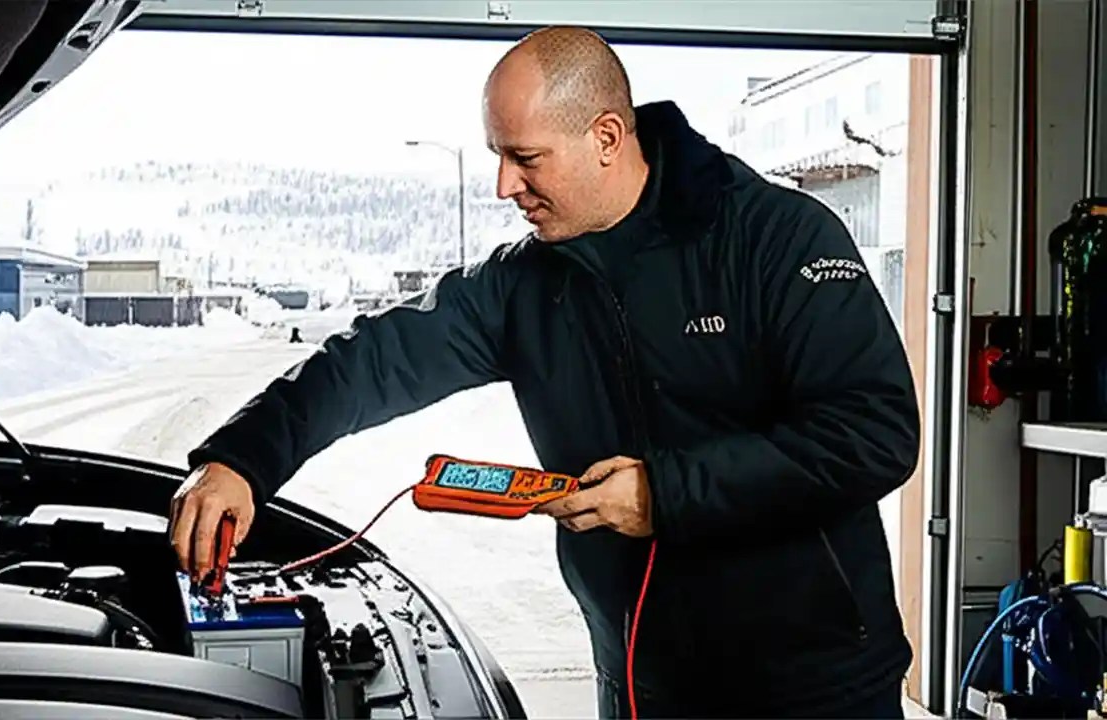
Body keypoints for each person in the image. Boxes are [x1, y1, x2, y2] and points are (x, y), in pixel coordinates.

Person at [169, 26, 919, 719]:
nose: (504, 185)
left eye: (525, 158)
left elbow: (872, 433)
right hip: (641, 676)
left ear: (606, 138)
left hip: (813, 682)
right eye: (498, 155)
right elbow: (371, 360)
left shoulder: (775, 239)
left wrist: (664, 493)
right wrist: (244, 458)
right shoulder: (523, 286)